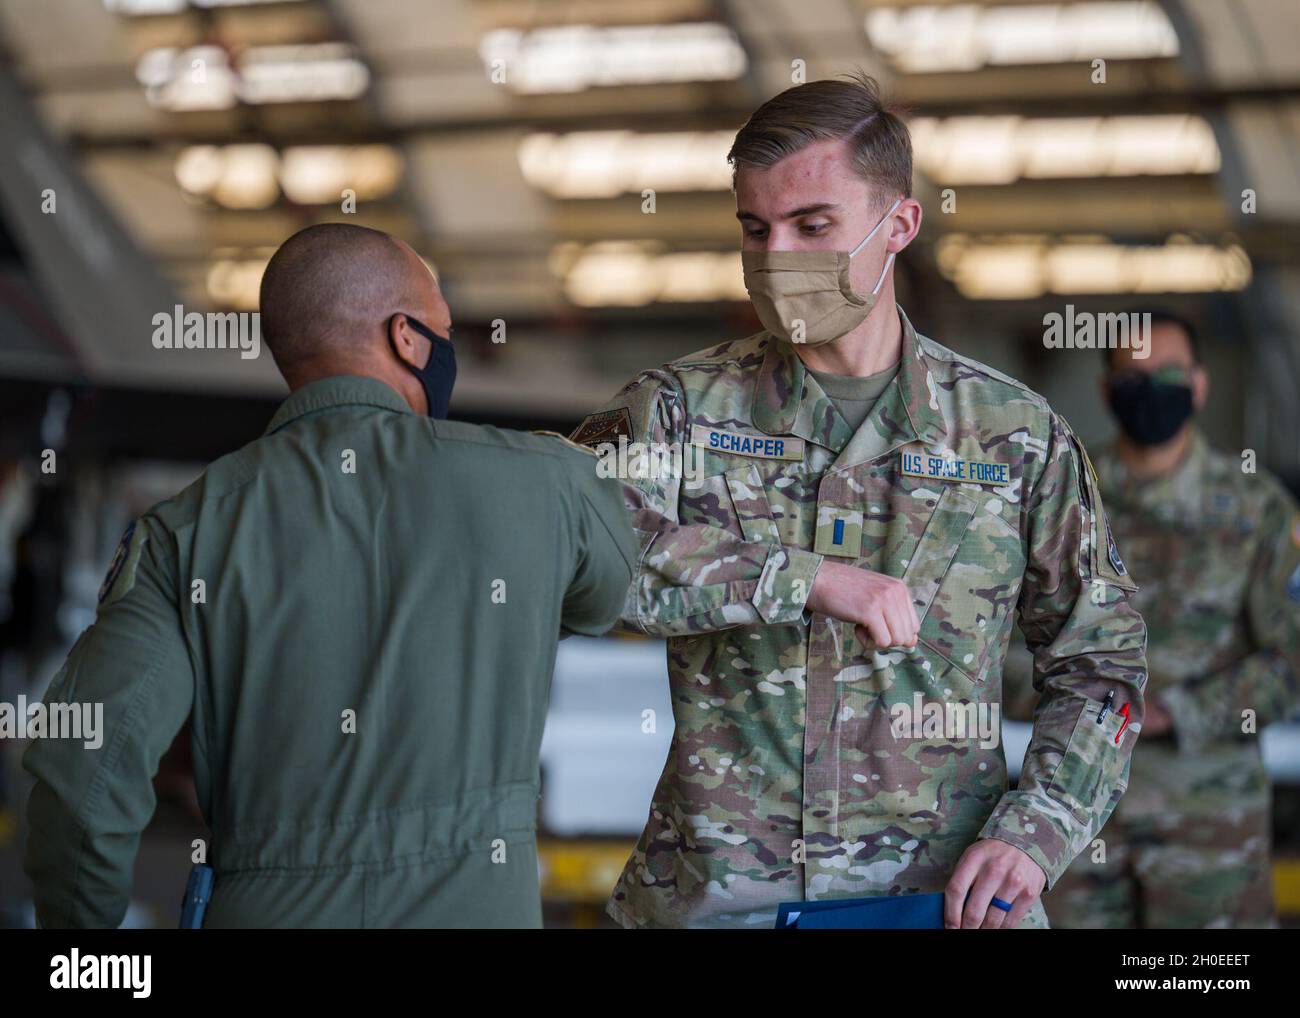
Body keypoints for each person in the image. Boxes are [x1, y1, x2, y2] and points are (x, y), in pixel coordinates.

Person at [570, 73, 1148, 930]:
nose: (778, 259)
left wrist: (1039, 831)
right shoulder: (676, 412)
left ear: (899, 225)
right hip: (725, 902)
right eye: (755, 229)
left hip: (940, 904)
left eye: (813, 227)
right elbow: (584, 557)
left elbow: (1101, 661)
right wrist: (798, 578)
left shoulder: (1014, 436)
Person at [23, 223, 637, 928]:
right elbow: (601, 601)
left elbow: (81, 775)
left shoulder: (188, 529)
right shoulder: (548, 483)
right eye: (442, 330)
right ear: (407, 339)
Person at [1029, 312, 1300, 927]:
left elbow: (1292, 662)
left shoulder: (1258, 510)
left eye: (1169, 374)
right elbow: (1000, 647)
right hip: (1075, 813)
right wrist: (1091, 702)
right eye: (1134, 376)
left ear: (1199, 385)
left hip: (1210, 827)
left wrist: (1177, 712)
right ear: (1105, 391)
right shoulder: (1066, 498)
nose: (1151, 388)